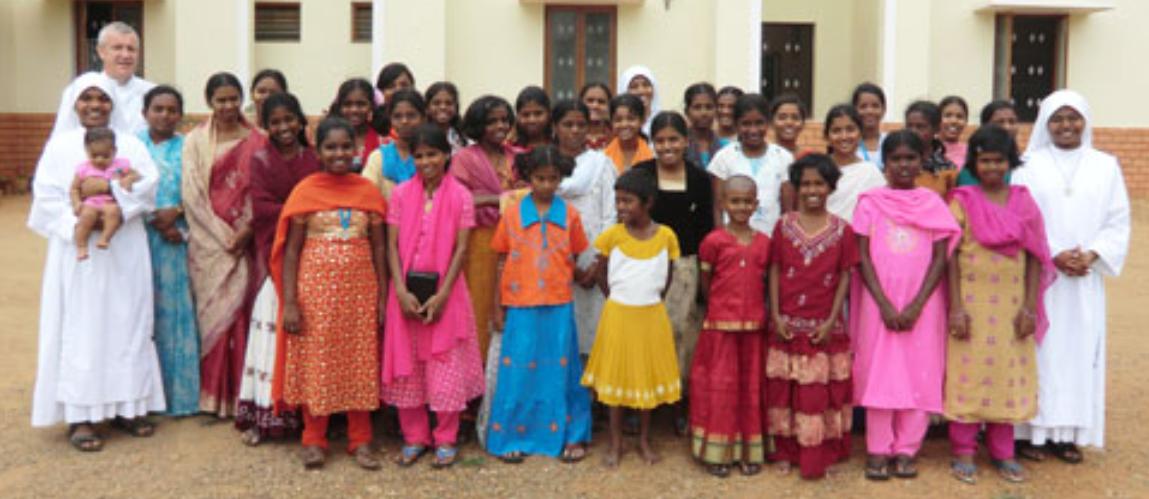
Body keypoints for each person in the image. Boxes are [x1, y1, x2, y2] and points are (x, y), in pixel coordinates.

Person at [29, 72, 164, 451]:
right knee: (82, 327)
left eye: (102, 98)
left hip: (124, 247)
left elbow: (148, 187)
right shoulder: (59, 147)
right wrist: (79, 223)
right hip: (79, 253)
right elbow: (46, 197)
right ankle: (82, 416)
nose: (95, 105)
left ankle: (129, 407)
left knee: (128, 322)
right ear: (74, 104)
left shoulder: (131, 144)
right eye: (86, 98)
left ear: (113, 103)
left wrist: (111, 194)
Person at [1012, 90, 1130, 463]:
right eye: (1058, 118)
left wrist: (1092, 254)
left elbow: (1117, 220)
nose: (1066, 125)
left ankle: (1066, 435)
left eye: (1073, 117)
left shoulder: (1105, 166)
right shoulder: (1027, 164)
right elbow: (1021, 217)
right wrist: (1053, 252)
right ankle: (1030, 432)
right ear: (1045, 123)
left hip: (1083, 279)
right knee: (1040, 351)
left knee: (1078, 354)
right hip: (1041, 276)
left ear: (1085, 121)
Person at [269, 117, 387, 470]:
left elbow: (380, 249)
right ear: (318, 151)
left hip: (360, 292)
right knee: (317, 361)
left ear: (356, 149)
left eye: (346, 147)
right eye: (331, 147)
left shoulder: (367, 192)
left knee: (360, 361)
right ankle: (314, 439)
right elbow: (291, 251)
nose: (339, 154)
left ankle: (360, 439)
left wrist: (383, 298)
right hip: (315, 295)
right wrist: (290, 302)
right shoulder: (306, 191)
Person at [944, 125, 1055, 484]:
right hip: (972, 305)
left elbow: (1037, 256)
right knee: (968, 374)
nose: (992, 167)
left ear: (1011, 162)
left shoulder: (1024, 202)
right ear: (974, 163)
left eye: (999, 160)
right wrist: (956, 307)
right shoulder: (962, 200)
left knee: (1007, 375)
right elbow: (949, 257)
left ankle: (1003, 452)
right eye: (985, 160)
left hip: (1011, 307)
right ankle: (963, 450)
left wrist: (1029, 307)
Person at [850, 130, 961, 480]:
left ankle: (907, 449)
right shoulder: (869, 202)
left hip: (923, 306)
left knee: (919, 372)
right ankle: (878, 449)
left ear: (921, 161)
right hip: (878, 304)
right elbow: (862, 257)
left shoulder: (933, 204)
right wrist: (884, 304)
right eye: (895, 158)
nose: (903, 165)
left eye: (910, 158)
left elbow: (941, 258)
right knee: (879, 373)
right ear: (884, 163)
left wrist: (916, 305)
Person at [383, 124, 485, 469]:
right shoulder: (400, 194)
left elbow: (461, 250)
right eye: (420, 155)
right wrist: (399, 290)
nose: (426, 161)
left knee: (445, 364)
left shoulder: (461, 196)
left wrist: (442, 296)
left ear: (446, 155)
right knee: (408, 365)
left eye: (433, 154)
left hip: (447, 294)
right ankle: (414, 437)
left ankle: (445, 437)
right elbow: (391, 246)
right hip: (405, 293)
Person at [487, 145, 593, 463]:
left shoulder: (570, 215)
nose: (546, 185)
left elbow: (574, 255)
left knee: (561, 369)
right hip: (520, 305)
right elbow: (501, 261)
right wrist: (496, 307)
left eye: (553, 178)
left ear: (561, 178)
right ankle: (511, 437)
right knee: (518, 370)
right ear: (527, 178)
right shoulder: (512, 215)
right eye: (539, 178)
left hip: (559, 304)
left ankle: (571, 435)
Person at [582, 168, 682, 468]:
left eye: (628, 201)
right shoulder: (612, 236)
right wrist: (616, 299)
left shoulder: (666, 236)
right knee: (616, 376)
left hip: (651, 316)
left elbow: (667, 277)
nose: (621, 207)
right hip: (618, 316)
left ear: (647, 202)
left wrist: (650, 300)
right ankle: (616, 442)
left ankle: (643, 440)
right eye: (618, 201)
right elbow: (600, 273)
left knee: (645, 376)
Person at [765, 154, 857, 480]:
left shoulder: (843, 230)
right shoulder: (783, 225)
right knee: (784, 393)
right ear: (796, 187)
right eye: (805, 184)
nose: (812, 190)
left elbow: (845, 275)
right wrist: (776, 314)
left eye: (819, 183)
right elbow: (775, 268)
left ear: (830, 187)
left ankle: (822, 453)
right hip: (787, 323)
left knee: (820, 395)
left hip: (824, 326)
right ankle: (785, 451)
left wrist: (832, 320)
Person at [235, 92, 316, 445]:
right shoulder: (261, 161)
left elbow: (325, 198)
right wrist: (300, 210)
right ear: (265, 126)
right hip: (278, 252)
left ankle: (309, 417)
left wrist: (309, 212)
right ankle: (265, 415)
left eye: (289, 120)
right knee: (272, 328)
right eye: (275, 122)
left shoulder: (314, 159)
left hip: (314, 257)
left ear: (300, 121)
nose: (284, 127)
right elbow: (263, 207)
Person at [633, 112, 717, 435]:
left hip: (684, 267)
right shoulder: (641, 174)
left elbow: (706, 229)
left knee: (683, 335)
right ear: (652, 142)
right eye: (660, 140)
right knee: (644, 334)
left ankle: (678, 403)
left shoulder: (699, 179)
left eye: (674, 139)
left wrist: (704, 272)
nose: (667, 146)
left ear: (686, 141)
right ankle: (641, 403)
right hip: (645, 263)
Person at [182, 72, 259, 417]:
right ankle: (212, 397)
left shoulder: (257, 140)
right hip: (209, 244)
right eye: (220, 100)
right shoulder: (196, 141)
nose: (228, 106)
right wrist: (220, 234)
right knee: (212, 314)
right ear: (209, 102)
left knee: (241, 314)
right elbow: (192, 193)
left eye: (233, 99)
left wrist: (245, 231)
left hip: (246, 242)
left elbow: (261, 190)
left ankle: (240, 397)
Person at [690, 175, 769, 478]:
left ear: (756, 204)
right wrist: (717, 311)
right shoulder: (714, 241)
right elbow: (707, 281)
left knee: (749, 388)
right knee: (720, 388)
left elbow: (764, 283)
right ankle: (717, 452)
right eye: (735, 201)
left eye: (747, 202)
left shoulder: (764, 243)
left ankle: (749, 450)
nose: (741, 207)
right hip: (721, 327)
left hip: (754, 328)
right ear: (723, 204)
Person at [138, 85, 200, 417]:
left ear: (181, 115)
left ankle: (180, 397)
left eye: (172, 110)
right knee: (139, 314)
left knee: (175, 315)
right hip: (136, 241)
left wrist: (175, 213)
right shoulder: (131, 146)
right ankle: (140, 397)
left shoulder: (188, 147)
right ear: (144, 112)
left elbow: (199, 189)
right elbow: (120, 186)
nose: (165, 115)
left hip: (176, 241)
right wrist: (154, 218)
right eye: (158, 109)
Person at [451, 95, 518, 363]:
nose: (500, 126)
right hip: (481, 243)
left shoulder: (516, 156)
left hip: (517, 244)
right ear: (479, 125)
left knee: (511, 305)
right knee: (480, 306)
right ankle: (476, 373)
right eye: (492, 121)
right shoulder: (465, 159)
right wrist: (499, 199)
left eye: (504, 120)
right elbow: (457, 200)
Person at [551, 100, 618, 356]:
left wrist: (597, 264)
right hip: (553, 257)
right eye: (568, 124)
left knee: (592, 332)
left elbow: (611, 214)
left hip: (594, 257)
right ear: (555, 127)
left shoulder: (601, 164)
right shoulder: (546, 164)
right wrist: (572, 268)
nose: (575, 130)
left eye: (581, 125)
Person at [708, 93, 794, 235]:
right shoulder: (724, 158)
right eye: (746, 124)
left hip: (771, 237)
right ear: (736, 125)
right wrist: (722, 240)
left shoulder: (783, 158)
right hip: (732, 239)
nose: (753, 130)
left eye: (759, 123)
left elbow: (787, 209)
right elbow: (718, 207)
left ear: (768, 123)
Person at [51, 22, 154, 138]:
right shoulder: (78, 91)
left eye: (131, 49)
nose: (125, 55)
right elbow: (62, 136)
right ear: (101, 52)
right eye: (117, 48)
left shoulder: (152, 93)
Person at [70, 127, 139, 260]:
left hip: (110, 202)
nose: (100, 160)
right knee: (86, 217)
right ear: (87, 151)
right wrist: (77, 203)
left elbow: (137, 175)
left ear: (114, 151)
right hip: (91, 203)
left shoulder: (121, 165)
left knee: (114, 213)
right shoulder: (83, 168)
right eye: (94, 156)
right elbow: (74, 189)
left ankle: (105, 237)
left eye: (106, 156)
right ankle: (81, 245)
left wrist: (129, 179)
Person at [821, 105, 885, 222]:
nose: (844, 137)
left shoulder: (870, 172)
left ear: (860, 134)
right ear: (826, 136)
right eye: (836, 131)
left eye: (850, 130)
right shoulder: (817, 170)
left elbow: (880, 214)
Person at [360, 89, 425, 200]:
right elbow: (367, 196)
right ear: (390, 119)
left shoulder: (432, 156)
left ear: (423, 118)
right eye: (397, 116)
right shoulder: (378, 158)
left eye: (411, 115)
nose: (404, 121)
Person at [956, 100, 1020, 187]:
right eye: (1000, 122)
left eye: (1012, 122)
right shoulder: (973, 168)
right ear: (985, 125)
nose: (1007, 127)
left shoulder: (1026, 161)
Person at [905, 100, 958, 197]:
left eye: (920, 127)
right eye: (909, 126)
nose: (913, 132)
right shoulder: (896, 161)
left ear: (936, 128)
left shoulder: (947, 168)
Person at [326, 78, 382, 170]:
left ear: (372, 106)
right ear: (339, 107)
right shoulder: (328, 139)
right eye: (347, 104)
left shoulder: (383, 141)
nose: (354, 110)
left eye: (361, 104)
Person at [602, 94, 653, 173]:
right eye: (618, 120)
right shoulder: (603, 157)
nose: (624, 124)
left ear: (642, 121)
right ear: (611, 122)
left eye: (631, 119)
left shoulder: (652, 154)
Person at [683, 83, 724, 169]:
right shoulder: (680, 145)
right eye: (697, 107)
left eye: (709, 107)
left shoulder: (724, 146)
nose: (704, 113)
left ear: (716, 110)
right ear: (687, 111)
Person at [425, 81, 467, 152]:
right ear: (427, 107)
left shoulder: (464, 137)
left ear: (456, 107)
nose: (443, 107)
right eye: (436, 103)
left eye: (449, 103)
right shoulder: (420, 136)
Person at [618, 65, 661, 136]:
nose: (641, 91)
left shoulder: (663, 122)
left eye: (646, 85)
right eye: (634, 87)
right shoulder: (619, 125)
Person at [852, 83, 887, 168]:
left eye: (875, 106)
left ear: (884, 109)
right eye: (863, 107)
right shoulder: (849, 143)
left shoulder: (890, 141)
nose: (869, 111)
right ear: (854, 109)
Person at [510, 86, 552, 153]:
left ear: (549, 114)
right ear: (517, 117)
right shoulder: (509, 150)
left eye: (538, 113)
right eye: (525, 115)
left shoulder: (560, 148)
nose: (532, 120)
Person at [580, 82, 613, 150]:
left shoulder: (616, 136)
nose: (595, 106)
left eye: (601, 102)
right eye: (590, 101)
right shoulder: (571, 134)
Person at [939, 96, 969, 167]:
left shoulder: (970, 152)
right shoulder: (929, 150)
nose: (954, 121)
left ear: (966, 121)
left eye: (959, 117)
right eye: (948, 116)